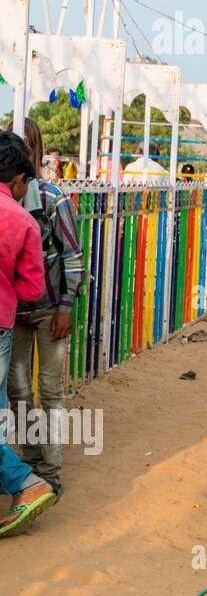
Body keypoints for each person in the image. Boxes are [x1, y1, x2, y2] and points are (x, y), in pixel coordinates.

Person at [4, 121, 85, 500]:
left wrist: (66, 307)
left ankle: (49, 472)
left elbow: (73, 257)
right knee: (19, 390)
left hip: (51, 307)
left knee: (51, 390)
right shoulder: (8, 198)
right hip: (14, 313)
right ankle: (30, 463)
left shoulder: (54, 198)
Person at [0, 133, 58, 537]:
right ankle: (27, 480)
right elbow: (33, 290)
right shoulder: (22, 220)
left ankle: (26, 481)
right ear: (19, 179)